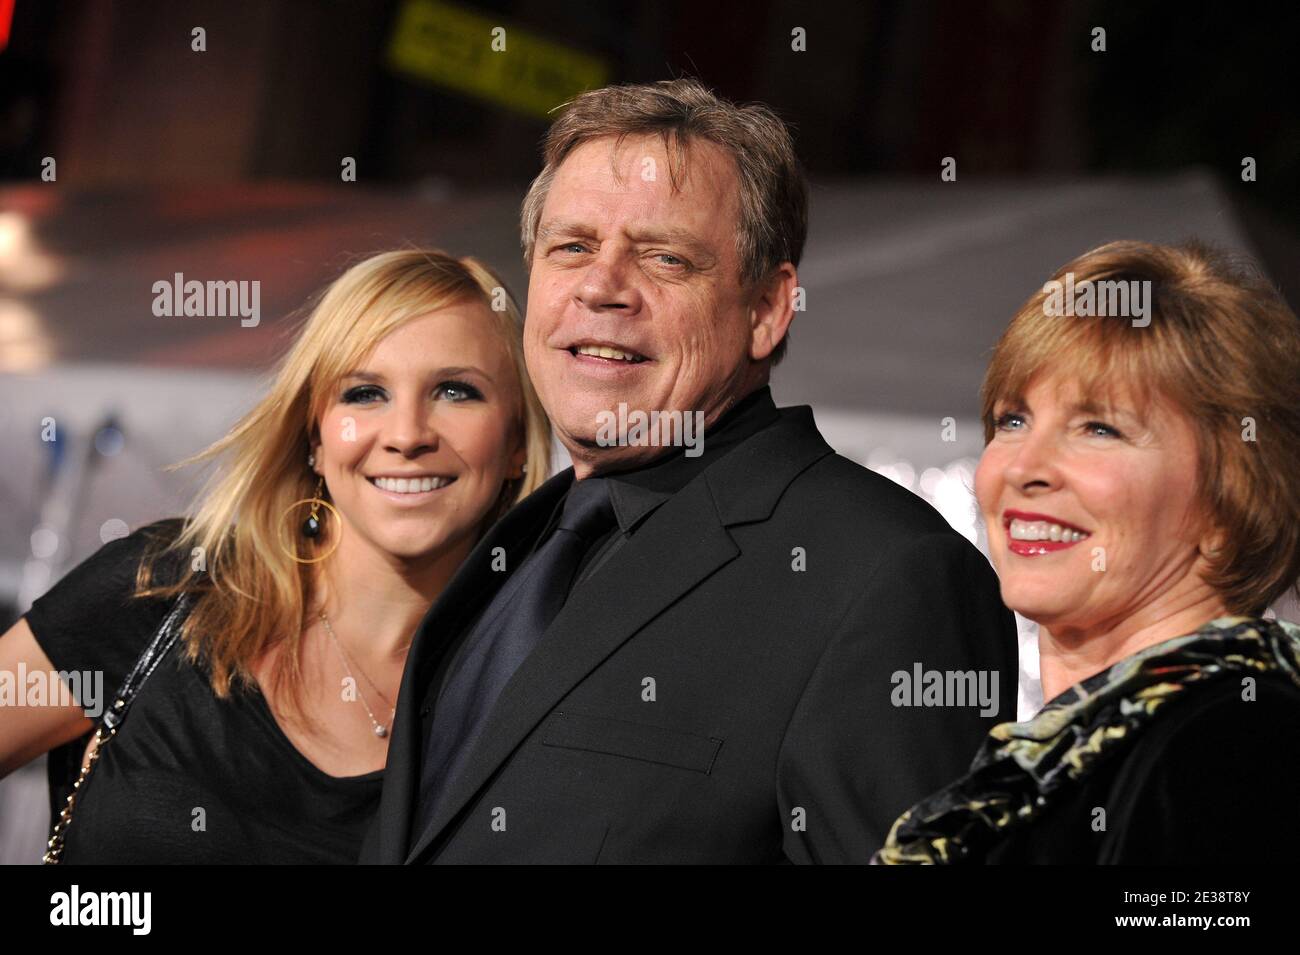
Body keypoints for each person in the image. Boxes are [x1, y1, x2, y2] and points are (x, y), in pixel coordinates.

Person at [361, 78, 1018, 865]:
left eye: (665, 257)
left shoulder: (888, 578)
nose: (602, 286)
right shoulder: (515, 543)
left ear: (768, 309)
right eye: (571, 246)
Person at [0, 249, 551, 863]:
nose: (407, 434)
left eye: (456, 391)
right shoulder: (164, 590)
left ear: (516, 445)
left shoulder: (537, 693)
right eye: (365, 393)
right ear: (314, 437)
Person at [873, 240, 1300, 864]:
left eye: (1100, 428)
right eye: (1013, 420)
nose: (1024, 467)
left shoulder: (1233, 747)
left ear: (1235, 498)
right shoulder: (1053, 767)